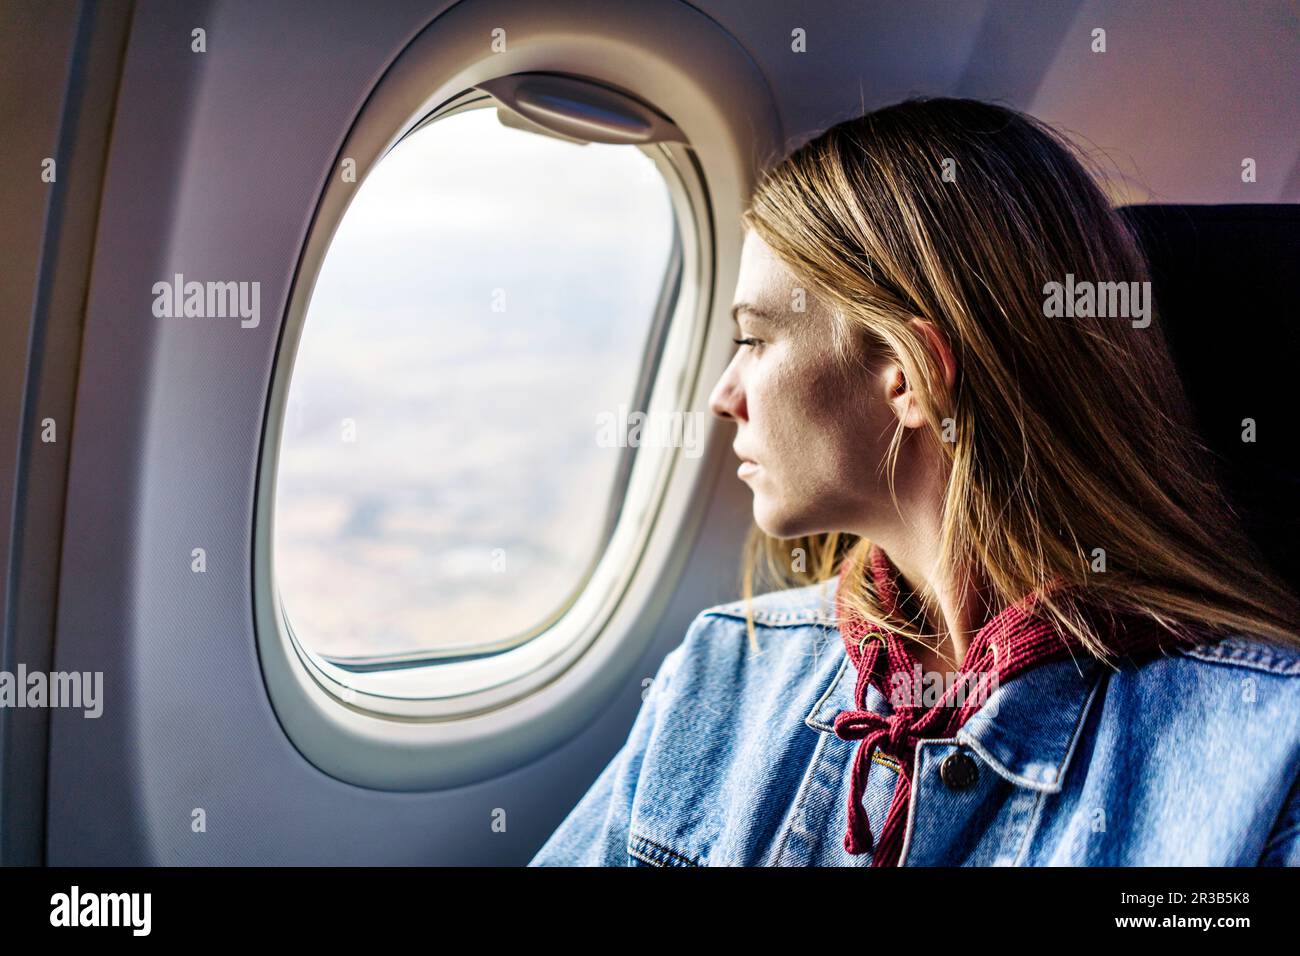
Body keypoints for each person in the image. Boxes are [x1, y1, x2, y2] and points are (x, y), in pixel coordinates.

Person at [529, 96, 1300, 866]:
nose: (723, 396)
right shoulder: (721, 671)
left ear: (912, 373)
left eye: (755, 339)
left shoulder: (1269, 747)